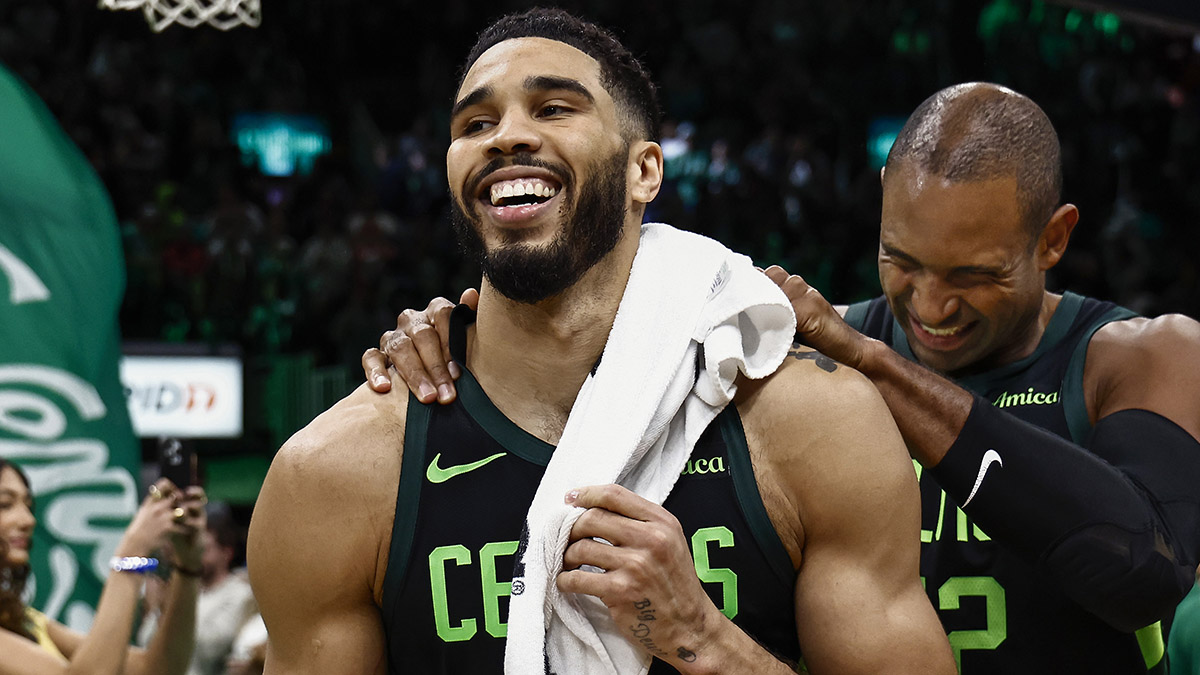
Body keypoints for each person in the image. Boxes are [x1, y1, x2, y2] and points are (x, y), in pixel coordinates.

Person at [366, 82, 1200, 674]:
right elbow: (584, 347)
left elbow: (1141, 572)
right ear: (880, 202)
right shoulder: (805, 369)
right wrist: (453, 333)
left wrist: (874, 358)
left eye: (974, 274)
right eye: (901, 262)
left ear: (1053, 240)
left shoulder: (1140, 353)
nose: (932, 304)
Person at [250, 8, 954, 675]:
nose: (506, 136)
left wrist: (702, 639)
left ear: (644, 170)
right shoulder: (334, 475)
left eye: (554, 108)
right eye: (476, 122)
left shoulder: (814, 423)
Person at [0, 456, 207, 675]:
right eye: (5, 504)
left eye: (28, 505)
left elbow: (158, 670)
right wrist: (131, 555)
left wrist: (187, 567)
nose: (28, 520)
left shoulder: (28, 621)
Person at [140, 502, 256, 675]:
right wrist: (162, 609)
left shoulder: (240, 594)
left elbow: (209, 647)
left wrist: (171, 609)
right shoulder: (181, 590)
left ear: (227, 552)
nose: (196, 554)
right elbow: (145, 640)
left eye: (204, 549)